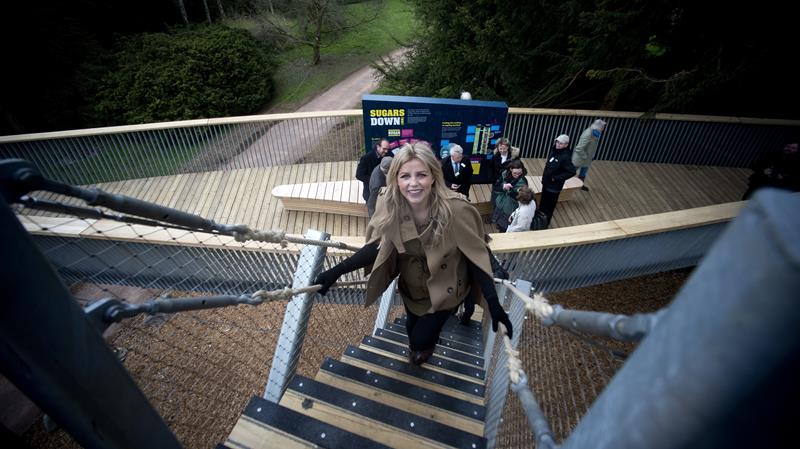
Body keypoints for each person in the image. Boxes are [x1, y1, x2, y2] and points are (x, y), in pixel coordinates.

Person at [313, 142, 513, 366]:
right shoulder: (391, 206)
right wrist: (337, 271)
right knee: (411, 326)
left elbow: (477, 256)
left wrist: (493, 302)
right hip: (411, 287)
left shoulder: (456, 210)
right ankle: (419, 345)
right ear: (396, 180)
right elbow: (378, 247)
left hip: (445, 290)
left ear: (433, 177)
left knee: (421, 338)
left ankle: (426, 345)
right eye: (405, 176)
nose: (413, 183)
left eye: (421, 175)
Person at [539, 134, 577, 228]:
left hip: (554, 187)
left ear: (566, 145)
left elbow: (572, 171)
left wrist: (556, 178)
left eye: (561, 143)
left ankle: (545, 224)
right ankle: (540, 218)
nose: (558, 144)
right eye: (557, 142)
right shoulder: (554, 150)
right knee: (543, 203)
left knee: (549, 206)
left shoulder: (565, 157)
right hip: (546, 183)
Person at [491, 159, 528, 232]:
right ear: (510, 169)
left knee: (505, 228)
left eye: (519, 173)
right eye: (515, 173)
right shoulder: (504, 174)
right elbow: (496, 187)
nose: (517, 175)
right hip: (500, 204)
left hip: (510, 208)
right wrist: (503, 186)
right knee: (499, 222)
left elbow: (520, 198)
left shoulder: (523, 182)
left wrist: (509, 190)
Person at [571, 119, 607, 191]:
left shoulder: (596, 133)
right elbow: (579, 148)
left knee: (583, 172)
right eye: (603, 127)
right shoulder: (588, 134)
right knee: (571, 171)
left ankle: (580, 185)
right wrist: (586, 156)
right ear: (598, 127)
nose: (603, 129)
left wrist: (592, 155)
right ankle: (564, 184)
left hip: (588, 158)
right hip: (580, 158)